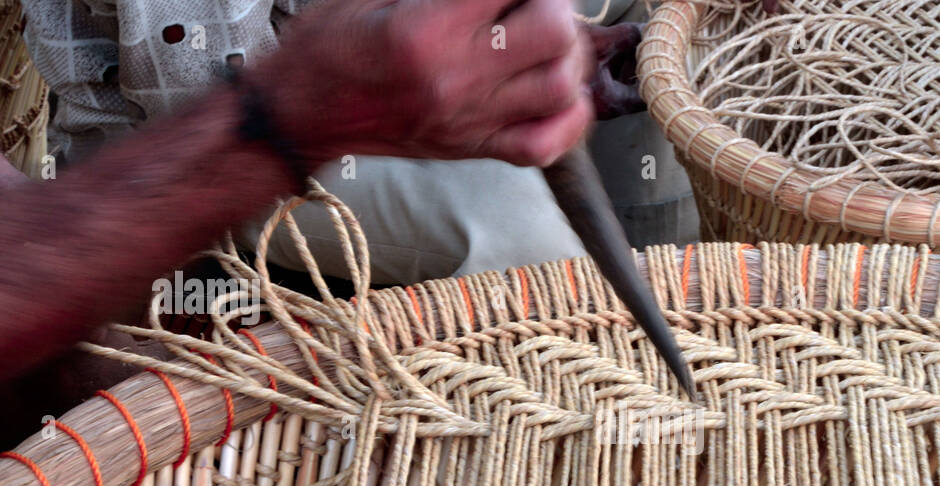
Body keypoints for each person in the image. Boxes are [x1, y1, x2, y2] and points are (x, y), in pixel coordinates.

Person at [0, 0, 612, 442]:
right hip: (190, 140)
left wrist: (503, 46)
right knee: (528, 239)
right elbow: (194, 88)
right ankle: (553, 449)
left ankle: (653, 296)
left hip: (336, 75)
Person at [15, 0, 641, 285]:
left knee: (649, 32)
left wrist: (520, 40)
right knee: (529, 239)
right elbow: (207, 94)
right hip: (206, 144)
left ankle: (671, 278)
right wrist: (467, 89)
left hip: (358, 48)